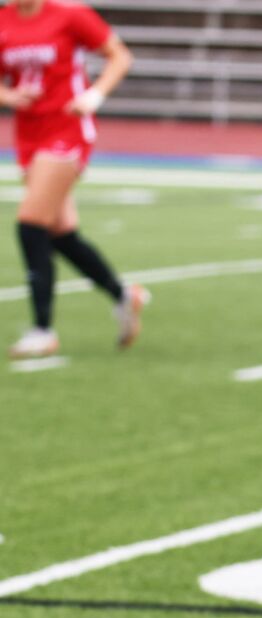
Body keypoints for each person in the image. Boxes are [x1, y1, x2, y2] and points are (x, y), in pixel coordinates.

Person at [0, 0, 146, 360]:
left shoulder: (69, 14)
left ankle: (42, 330)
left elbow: (120, 56)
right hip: (29, 134)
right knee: (60, 233)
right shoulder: (4, 20)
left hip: (67, 127)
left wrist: (94, 95)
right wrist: (10, 96)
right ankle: (123, 295)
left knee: (31, 223)